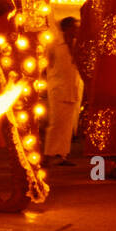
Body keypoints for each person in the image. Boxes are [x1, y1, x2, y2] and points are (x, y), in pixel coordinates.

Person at [44, 16, 82, 167]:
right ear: (66, 28)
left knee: (67, 125)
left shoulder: (76, 45)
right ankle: (48, 154)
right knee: (56, 122)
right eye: (74, 27)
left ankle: (63, 155)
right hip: (58, 87)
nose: (77, 30)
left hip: (72, 88)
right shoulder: (54, 44)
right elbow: (47, 64)